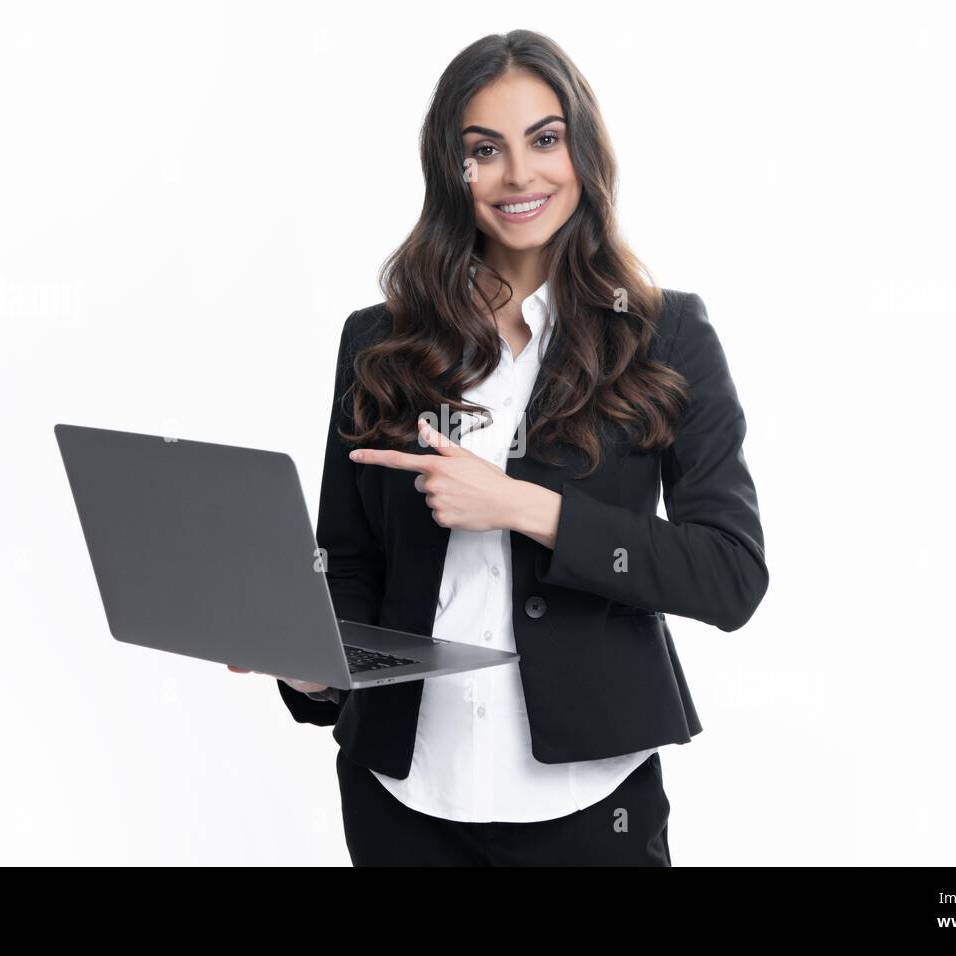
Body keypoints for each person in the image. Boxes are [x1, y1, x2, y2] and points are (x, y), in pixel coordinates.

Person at [229, 29, 768, 866]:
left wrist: (524, 507)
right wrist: (311, 665)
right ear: (453, 170)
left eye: (544, 139)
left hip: (591, 806)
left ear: (583, 151)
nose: (519, 175)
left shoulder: (664, 335)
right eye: (484, 150)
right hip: (402, 801)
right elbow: (351, 562)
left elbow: (730, 575)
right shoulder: (378, 342)